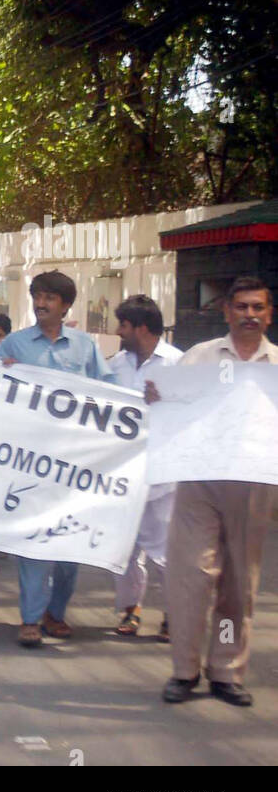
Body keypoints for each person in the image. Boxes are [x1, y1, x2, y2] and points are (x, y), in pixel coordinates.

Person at [157, 277, 277, 707]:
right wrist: (157, 395)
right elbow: (169, 401)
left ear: (269, 313)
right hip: (200, 480)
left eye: (257, 307)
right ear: (227, 312)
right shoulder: (201, 357)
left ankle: (225, 673)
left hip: (254, 484)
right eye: (241, 307)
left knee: (238, 584)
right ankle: (184, 672)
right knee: (190, 576)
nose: (250, 315)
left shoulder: (277, 365)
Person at [0, 269, 115, 647]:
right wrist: (3, 374)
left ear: (65, 306)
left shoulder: (84, 347)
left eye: (50, 298)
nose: (41, 303)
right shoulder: (14, 345)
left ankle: (55, 612)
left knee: (69, 546)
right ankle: (30, 619)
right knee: (34, 540)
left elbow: (110, 395)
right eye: (37, 296)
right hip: (29, 459)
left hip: (75, 463)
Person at [108, 295, 182, 640]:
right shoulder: (115, 365)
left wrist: (166, 401)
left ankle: (174, 612)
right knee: (124, 548)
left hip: (164, 473)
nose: (118, 331)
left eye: (123, 324)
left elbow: (196, 411)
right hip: (123, 473)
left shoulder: (179, 364)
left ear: (140, 327)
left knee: (166, 550)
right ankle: (130, 609)